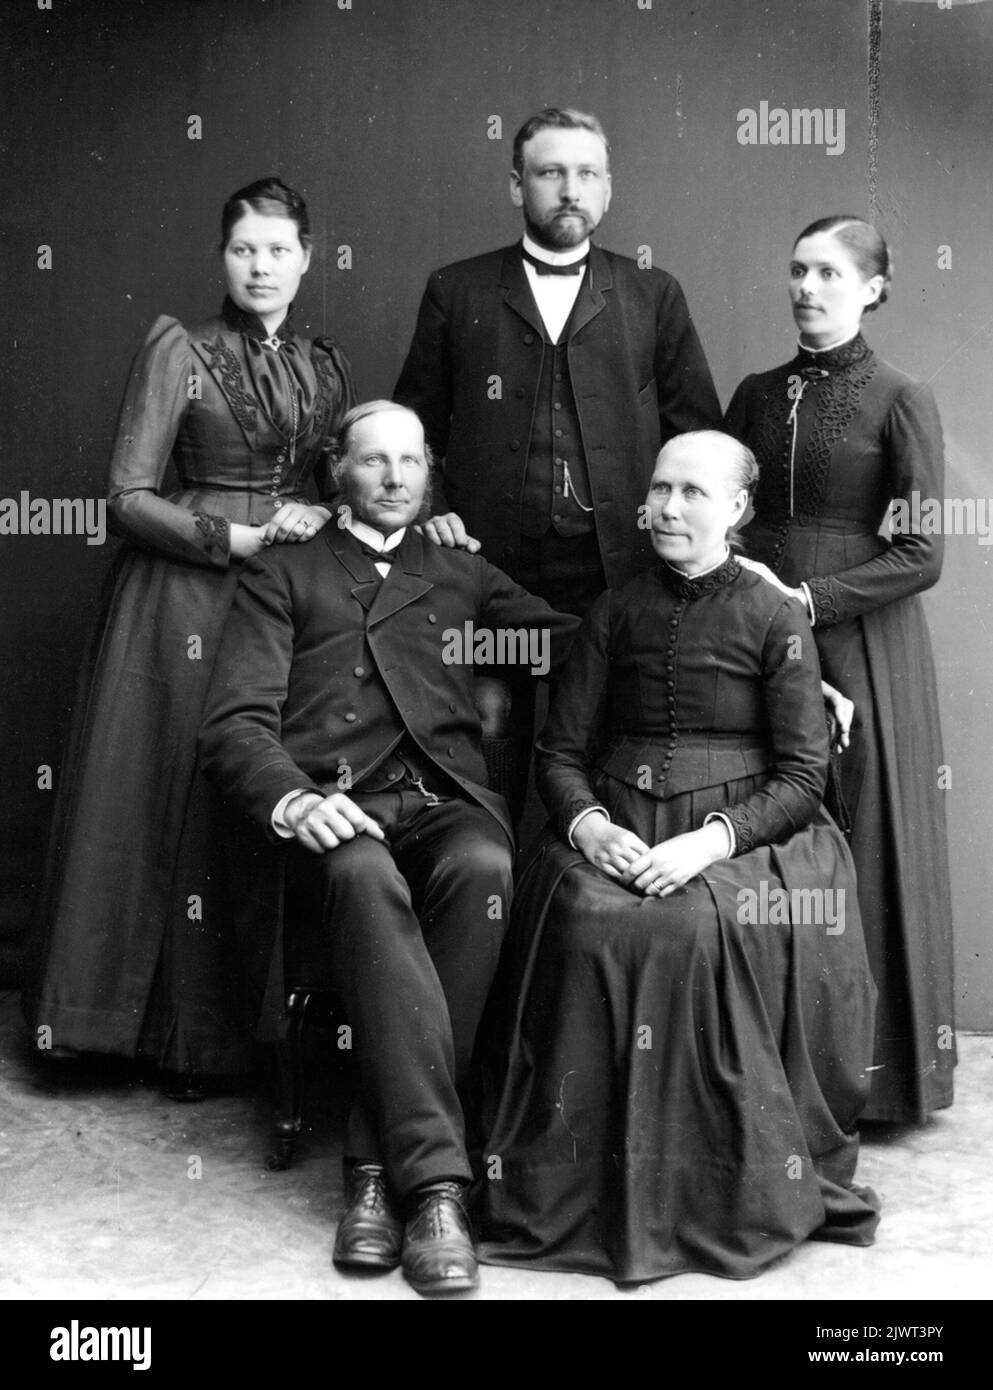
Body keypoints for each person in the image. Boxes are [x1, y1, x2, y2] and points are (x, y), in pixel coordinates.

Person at [475, 431, 880, 1284]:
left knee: (694, 927)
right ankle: (576, 1183)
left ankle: (707, 1195)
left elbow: (805, 774)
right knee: (588, 918)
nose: (667, 508)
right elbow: (558, 753)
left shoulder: (775, 618)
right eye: (659, 490)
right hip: (616, 817)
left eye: (692, 492)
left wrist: (708, 842)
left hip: (747, 831)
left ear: (736, 510)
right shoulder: (612, 609)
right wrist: (587, 828)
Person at [197, 401, 579, 1296]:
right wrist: (294, 799)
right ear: (338, 471)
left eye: (411, 460)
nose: (395, 478)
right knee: (364, 878)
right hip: (337, 806)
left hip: (443, 803)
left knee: (487, 868)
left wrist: (752, 627)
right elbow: (234, 724)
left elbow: (582, 644)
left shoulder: (458, 569)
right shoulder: (287, 572)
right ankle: (440, 1190)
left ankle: (372, 1170)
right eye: (374, 461)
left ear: (429, 470)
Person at [22, 177, 354, 1092]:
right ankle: (135, 1032)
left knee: (244, 791)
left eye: (278, 250)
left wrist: (318, 518)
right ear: (223, 257)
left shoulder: (324, 362)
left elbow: (339, 482)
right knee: (161, 790)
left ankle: (217, 1039)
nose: (260, 266)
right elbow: (126, 497)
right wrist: (239, 535)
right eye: (244, 249)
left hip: (282, 599)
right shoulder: (182, 347)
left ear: (306, 259)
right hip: (179, 599)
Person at [394, 106, 723, 815]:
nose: (568, 189)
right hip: (488, 567)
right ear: (517, 185)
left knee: (608, 744)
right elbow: (411, 427)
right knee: (486, 739)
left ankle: (586, 918)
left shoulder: (650, 293)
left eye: (585, 174)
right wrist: (436, 510)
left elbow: (699, 437)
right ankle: (493, 911)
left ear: (607, 189)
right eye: (549, 173)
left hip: (614, 570)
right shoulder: (458, 291)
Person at [724, 215, 954, 1124]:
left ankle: (865, 1077)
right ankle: (767, 1062)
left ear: (872, 288)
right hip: (756, 636)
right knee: (763, 830)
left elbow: (922, 552)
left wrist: (808, 602)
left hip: (858, 643)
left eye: (828, 272)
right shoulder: (753, 391)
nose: (806, 287)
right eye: (796, 270)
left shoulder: (901, 396)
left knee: (854, 841)